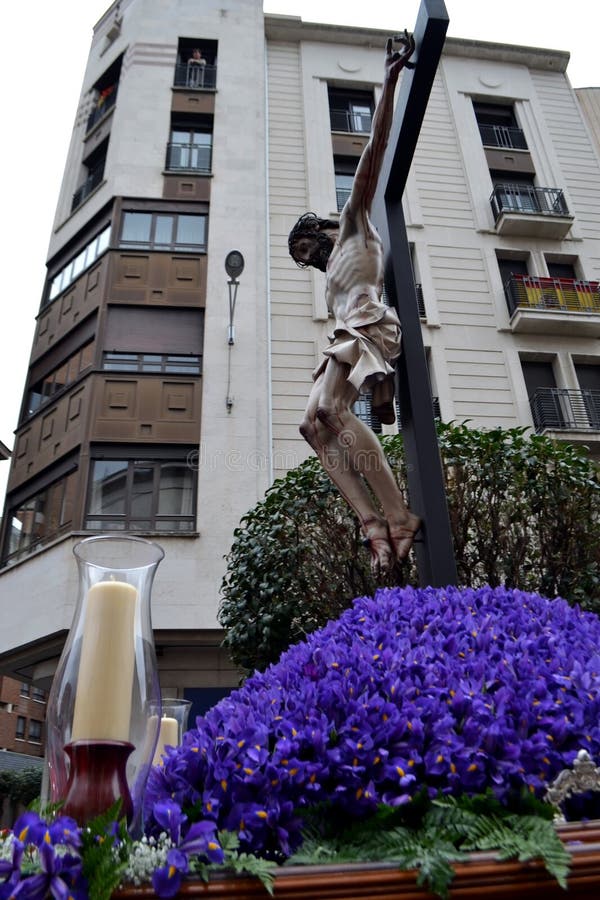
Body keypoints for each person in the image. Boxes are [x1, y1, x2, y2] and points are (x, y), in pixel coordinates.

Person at [288, 32, 420, 576]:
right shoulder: (328, 283)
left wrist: (390, 78)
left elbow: (374, 151)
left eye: (307, 246)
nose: (311, 257)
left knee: (330, 410)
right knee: (311, 425)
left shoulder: (352, 224)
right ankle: (371, 522)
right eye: (304, 257)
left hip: (369, 324)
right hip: (346, 337)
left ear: (321, 229)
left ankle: (398, 514)